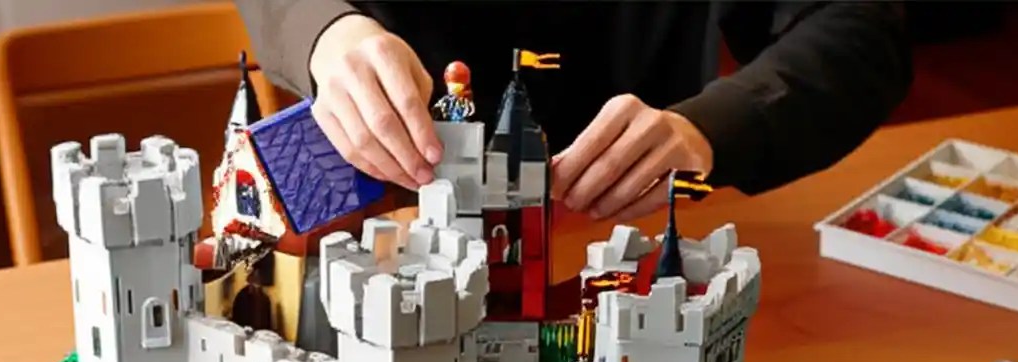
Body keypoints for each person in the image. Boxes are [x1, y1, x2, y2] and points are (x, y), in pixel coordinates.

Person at [235, 1, 912, 222]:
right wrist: (324, 30)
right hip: (394, 224)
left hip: (627, 228)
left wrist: (709, 128)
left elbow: (860, 27)